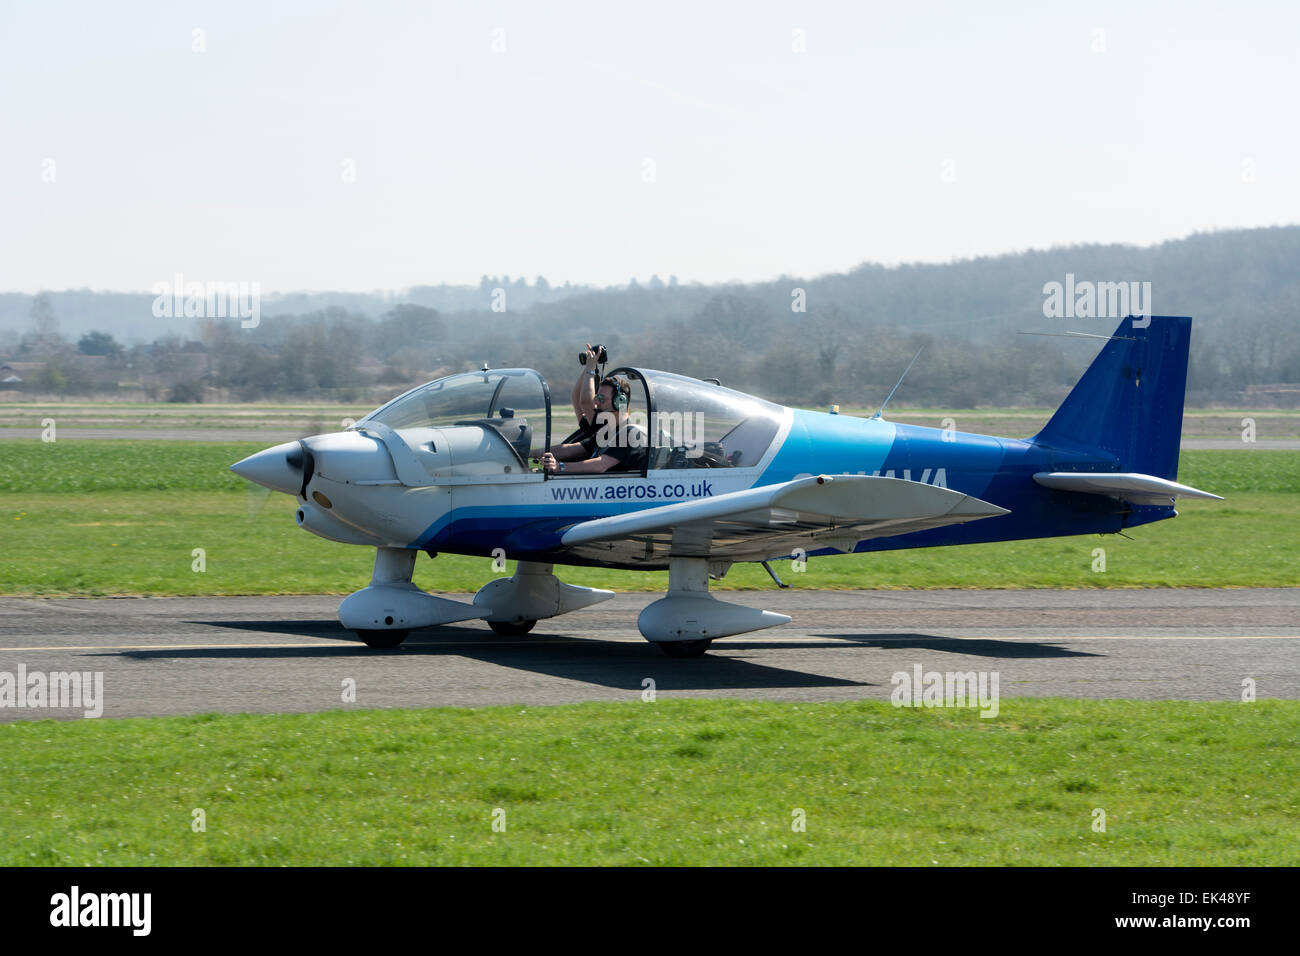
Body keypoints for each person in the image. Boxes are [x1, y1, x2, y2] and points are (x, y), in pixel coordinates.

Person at [541, 375, 647, 474]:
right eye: (597, 398)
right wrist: (532, 454)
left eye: (602, 399)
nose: (596, 403)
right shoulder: (606, 430)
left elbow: (602, 464)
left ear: (620, 402)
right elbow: (572, 449)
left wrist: (560, 467)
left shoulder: (629, 433)